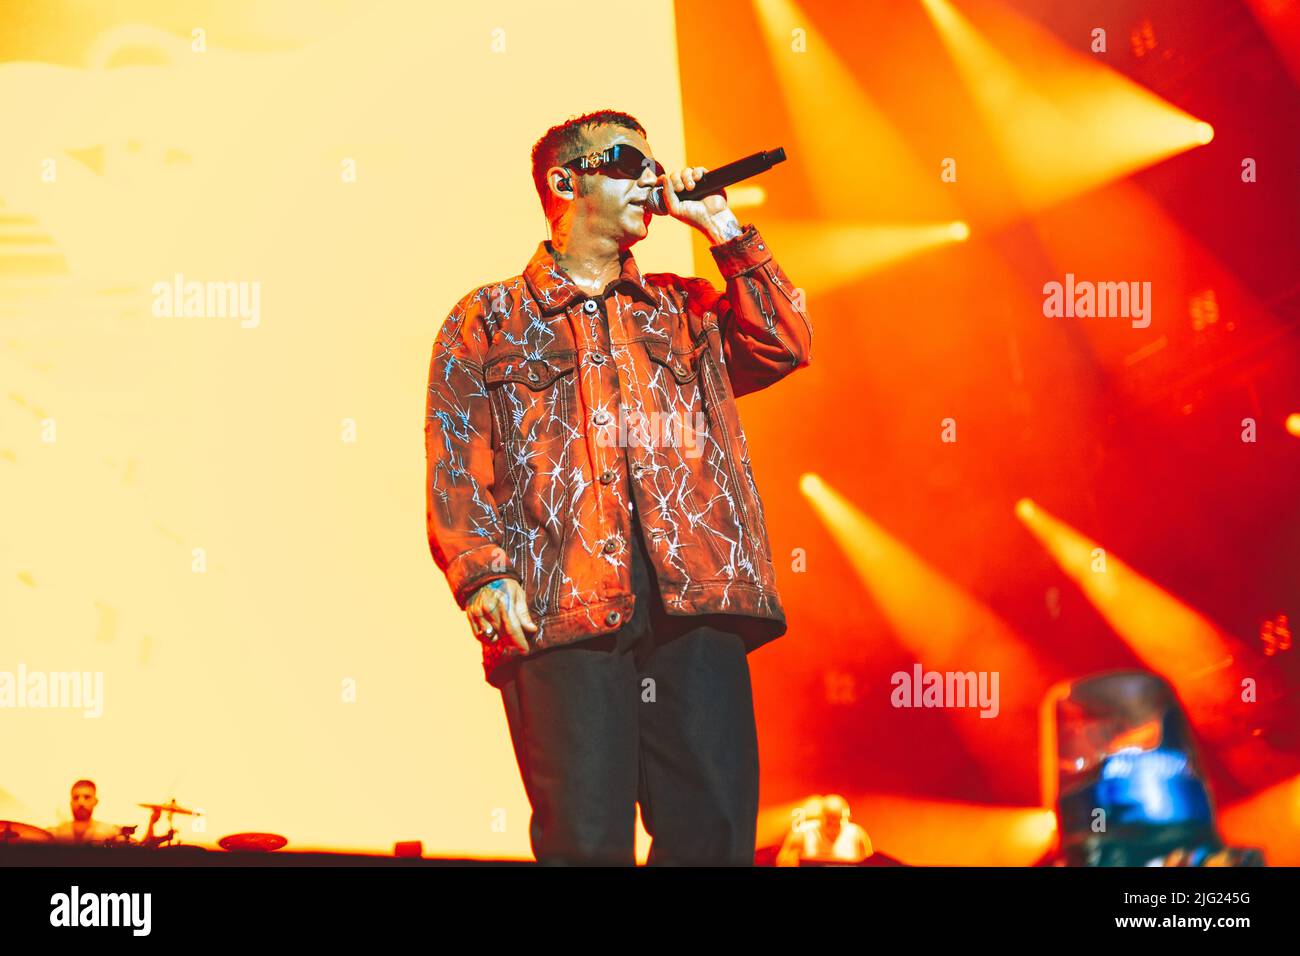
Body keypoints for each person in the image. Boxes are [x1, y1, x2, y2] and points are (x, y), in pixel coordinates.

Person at [424, 109, 812, 864]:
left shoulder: (684, 308)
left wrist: (723, 229)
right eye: (627, 162)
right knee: (584, 841)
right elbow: (454, 457)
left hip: (693, 591)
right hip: (560, 602)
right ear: (564, 181)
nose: (651, 178)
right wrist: (483, 574)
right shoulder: (488, 319)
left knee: (714, 833)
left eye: (652, 163)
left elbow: (785, 341)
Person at [776, 794, 873, 866]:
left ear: (848, 817)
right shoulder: (802, 833)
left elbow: (871, 864)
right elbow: (783, 863)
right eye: (829, 823)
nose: (833, 828)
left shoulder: (857, 834)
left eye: (839, 823)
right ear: (820, 818)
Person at [47, 780, 121, 846]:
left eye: (87, 797)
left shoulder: (110, 832)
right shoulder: (56, 833)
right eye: (76, 798)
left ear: (95, 801)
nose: (81, 802)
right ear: (71, 803)